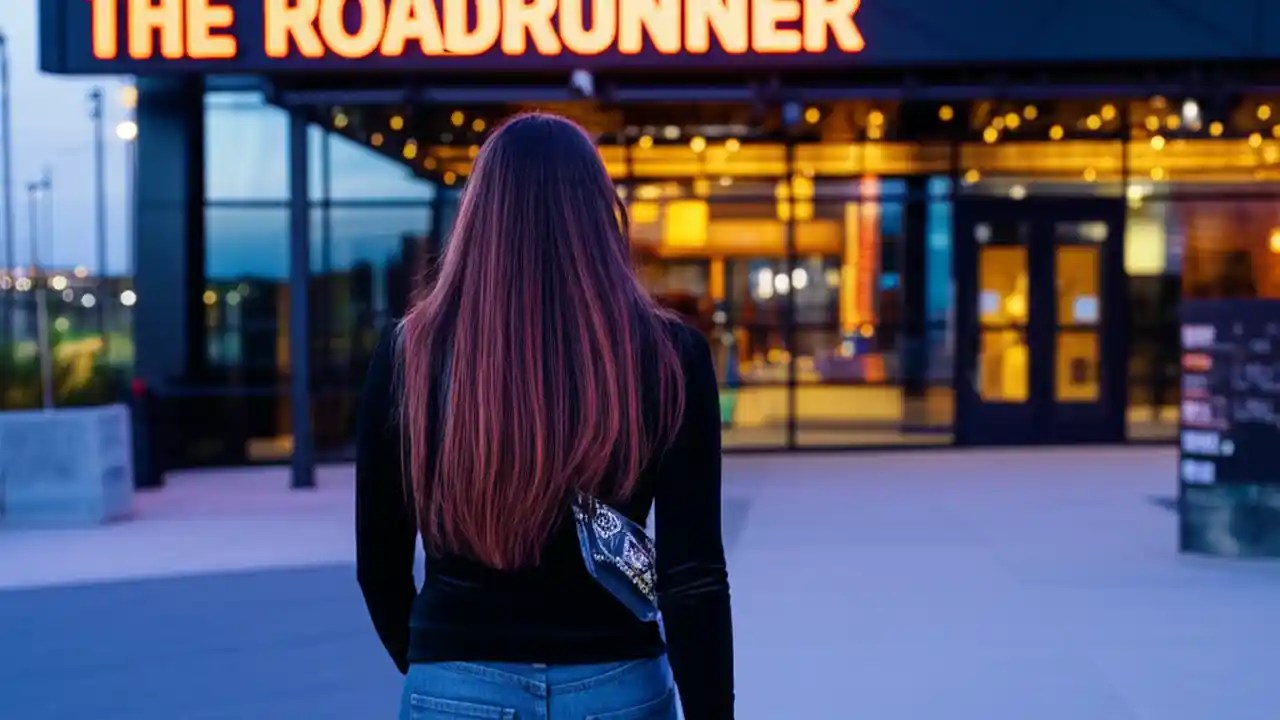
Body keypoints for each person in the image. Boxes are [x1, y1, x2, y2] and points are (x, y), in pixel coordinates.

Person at [355, 112, 734, 720]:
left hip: (456, 681)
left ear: (480, 216)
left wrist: (447, 663)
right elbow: (692, 576)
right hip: (618, 683)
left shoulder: (411, 353)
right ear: (597, 214)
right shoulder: (669, 354)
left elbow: (379, 565)